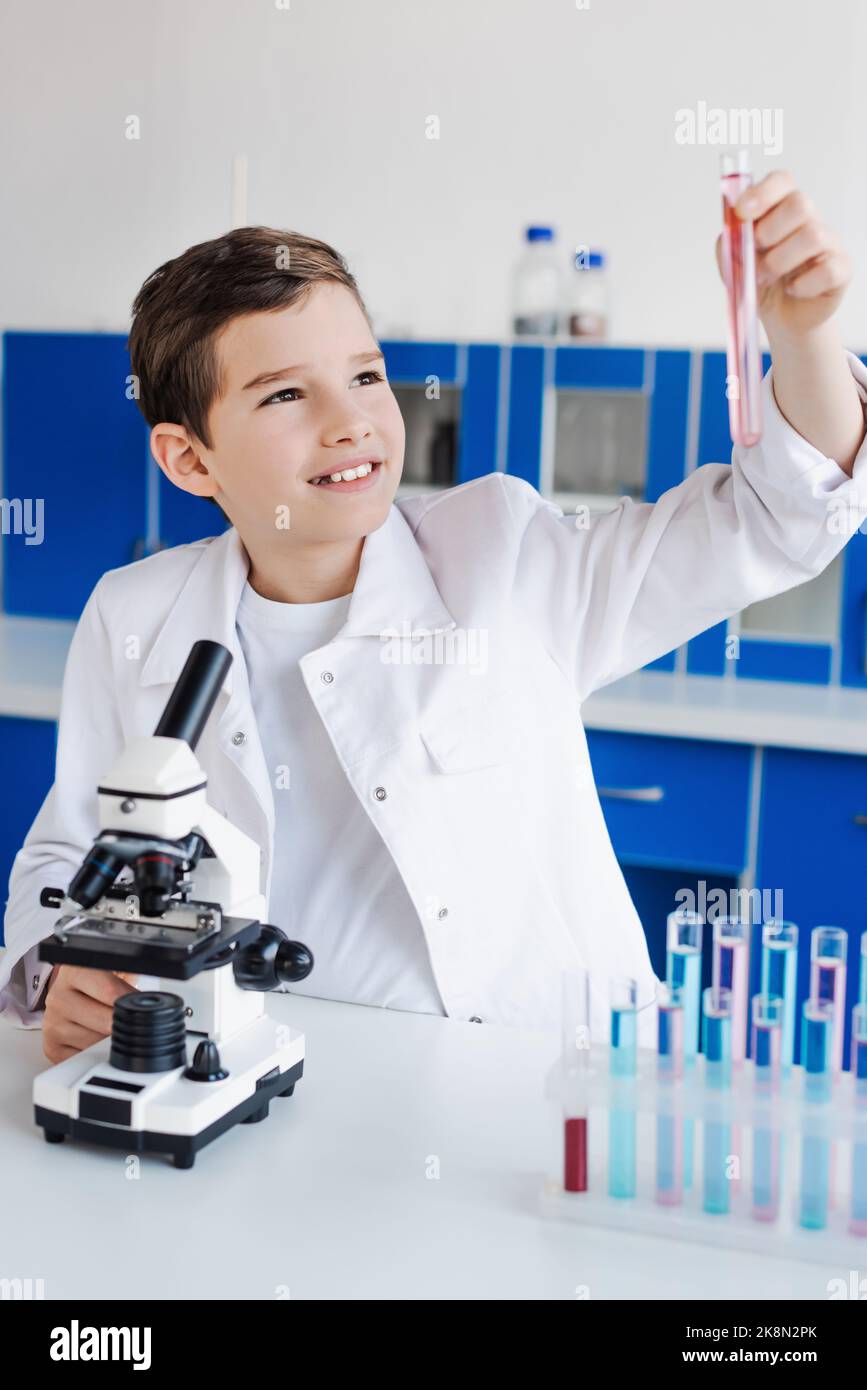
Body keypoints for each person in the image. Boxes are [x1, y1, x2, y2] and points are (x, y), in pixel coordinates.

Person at [2, 171, 866, 1063]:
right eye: (285, 395)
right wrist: (61, 971)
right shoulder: (135, 612)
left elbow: (779, 520)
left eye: (366, 375)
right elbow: (69, 850)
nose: (352, 423)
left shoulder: (507, 558)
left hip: (542, 1092)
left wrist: (800, 336)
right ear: (188, 459)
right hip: (287, 1083)